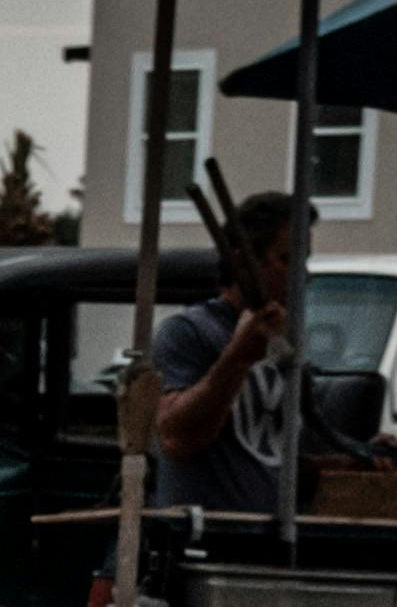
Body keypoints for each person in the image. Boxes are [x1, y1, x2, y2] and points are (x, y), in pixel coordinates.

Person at [135, 189, 324, 527]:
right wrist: (236, 359)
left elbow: (281, 460)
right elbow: (176, 438)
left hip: (268, 550)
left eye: (305, 261)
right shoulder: (188, 332)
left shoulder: (286, 346)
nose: (303, 276)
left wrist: (357, 459)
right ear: (242, 263)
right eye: (287, 260)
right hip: (202, 548)